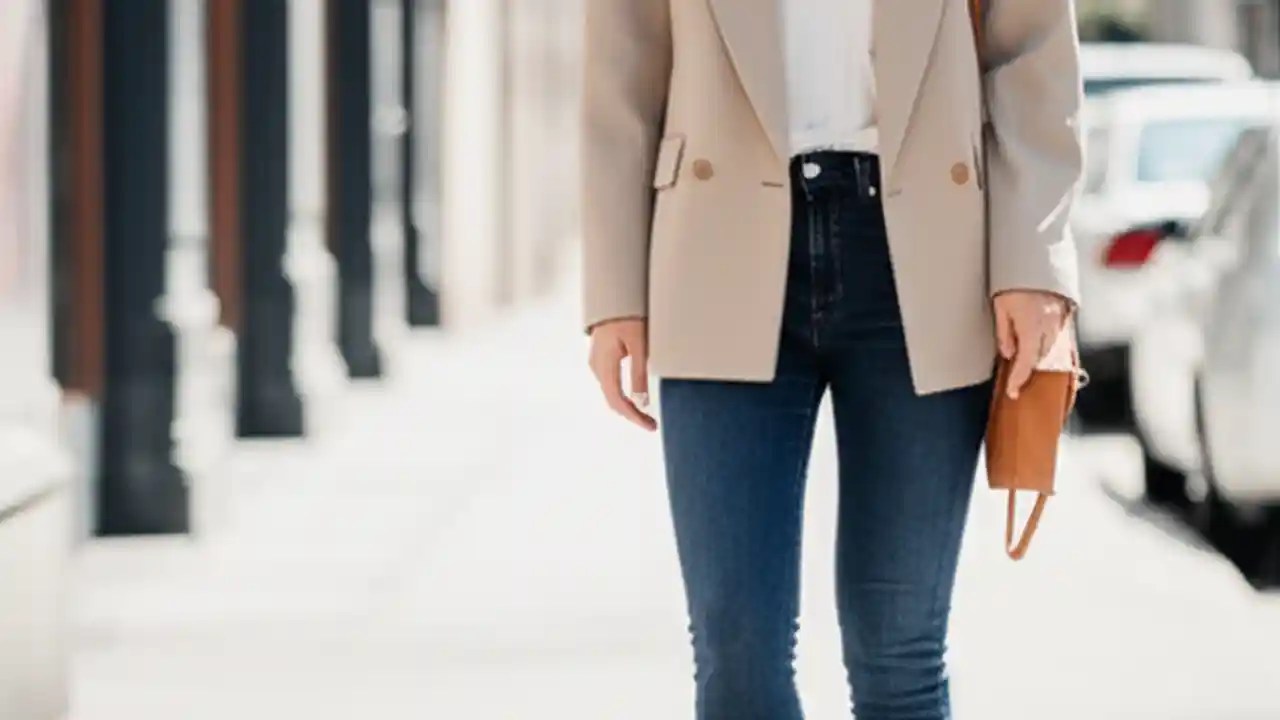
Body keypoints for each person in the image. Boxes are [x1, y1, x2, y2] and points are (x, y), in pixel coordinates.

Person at [581, 1, 1082, 718]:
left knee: (899, 655)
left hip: (926, 245)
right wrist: (615, 290)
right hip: (717, 244)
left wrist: (1034, 262)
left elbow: (1032, 51)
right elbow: (620, 68)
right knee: (737, 660)